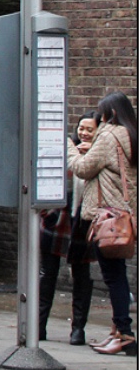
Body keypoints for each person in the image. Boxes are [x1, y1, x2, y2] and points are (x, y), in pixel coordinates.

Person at [67, 91, 137, 356]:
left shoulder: (109, 135)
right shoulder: (131, 135)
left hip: (107, 218)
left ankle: (125, 335)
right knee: (118, 274)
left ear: (112, 113)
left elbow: (83, 168)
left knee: (114, 277)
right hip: (124, 216)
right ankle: (118, 332)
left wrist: (70, 148)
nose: (101, 118)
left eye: (102, 113)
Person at [38, 112, 98, 345]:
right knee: (47, 274)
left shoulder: (99, 153)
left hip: (83, 221)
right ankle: (39, 326)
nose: (84, 133)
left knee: (82, 276)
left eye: (90, 129)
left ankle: (78, 330)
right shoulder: (66, 149)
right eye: (81, 128)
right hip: (58, 219)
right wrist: (47, 212)